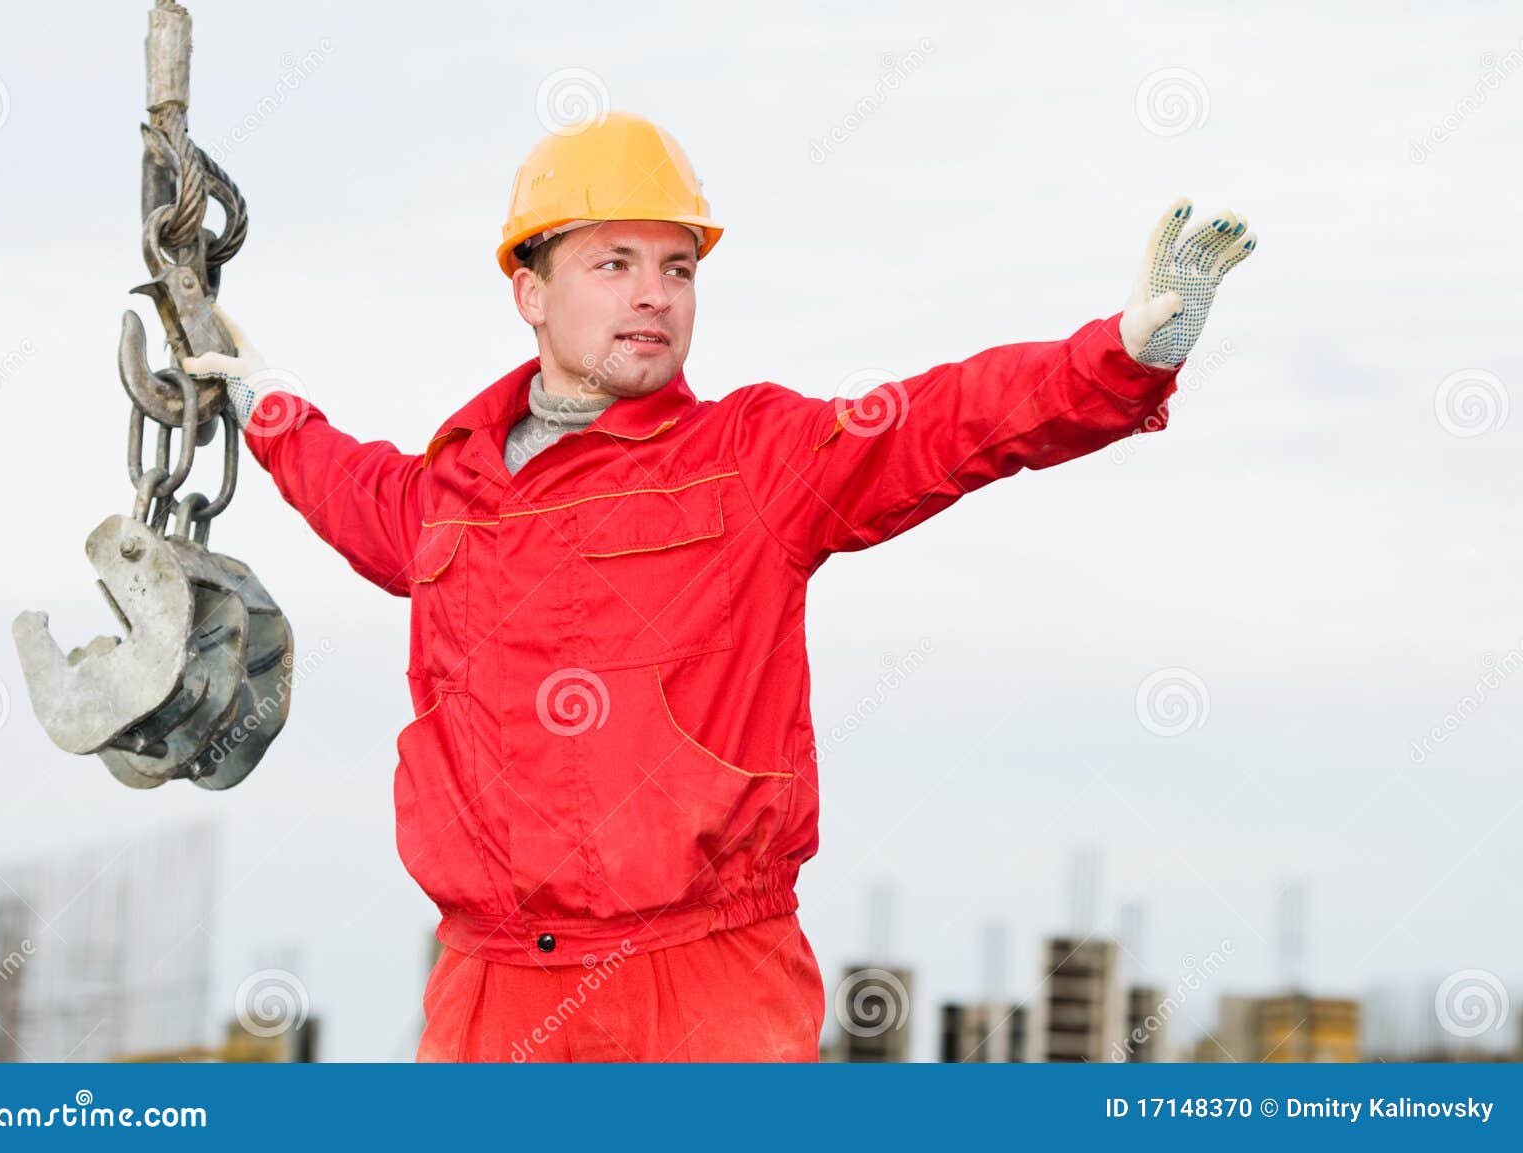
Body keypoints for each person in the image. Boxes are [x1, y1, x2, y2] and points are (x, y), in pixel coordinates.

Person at [183, 110, 1256, 1062]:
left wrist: (1116, 358)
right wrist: (267, 408)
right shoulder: (450, 491)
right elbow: (349, 486)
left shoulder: (751, 459)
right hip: (492, 998)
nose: (655, 294)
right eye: (614, 263)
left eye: (678, 267)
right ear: (529, 288)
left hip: (703, 991)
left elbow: (946, 421)